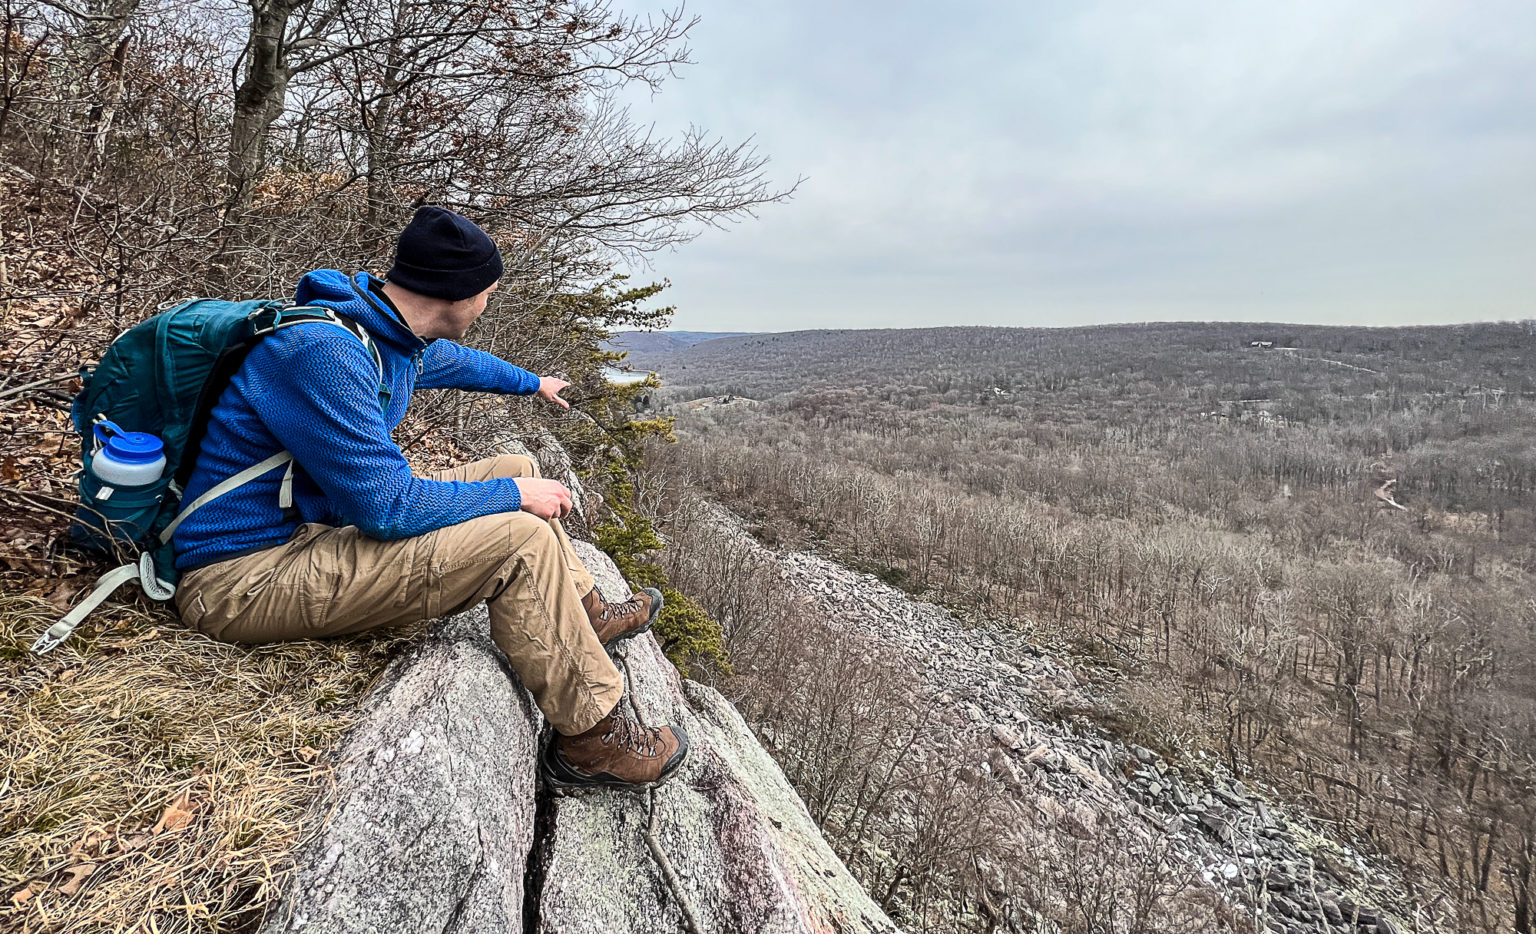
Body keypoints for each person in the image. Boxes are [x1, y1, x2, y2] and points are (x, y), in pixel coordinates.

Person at [171, 205, 688, 791]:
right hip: (241, 578)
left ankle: (584, 615)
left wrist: (532, 383)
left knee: (517, 463)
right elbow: (387, 508)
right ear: (457, 294)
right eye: (487, 292)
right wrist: (512, 496)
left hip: (303, 532)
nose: (489, 304)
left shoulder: (379, 330)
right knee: (519, 536)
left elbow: (455, 361)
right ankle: (596, 739)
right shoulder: (325, 355)